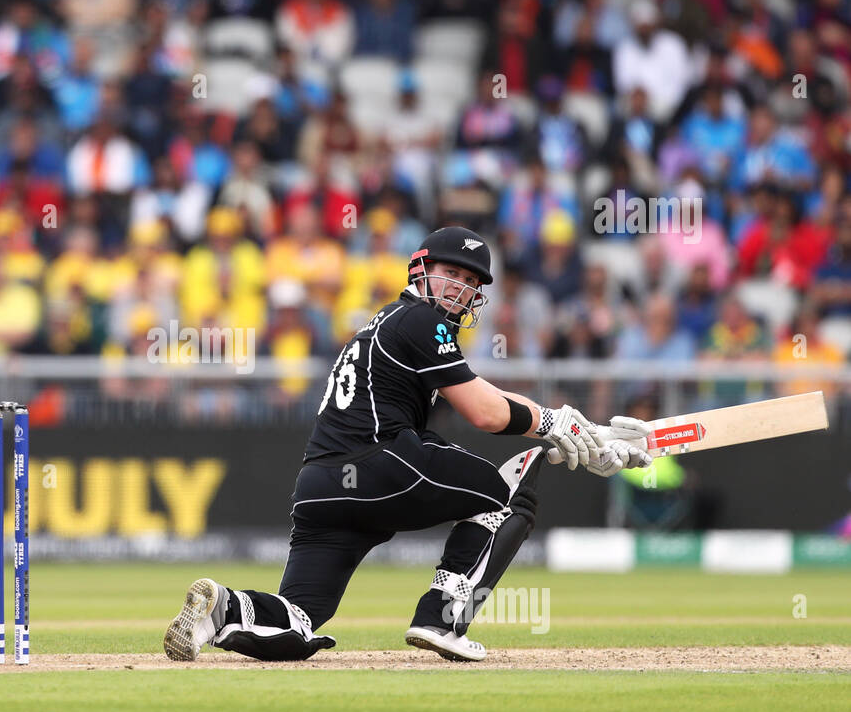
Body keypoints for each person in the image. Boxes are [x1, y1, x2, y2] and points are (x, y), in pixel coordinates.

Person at [164, 226, 652, 663]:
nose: (459, 285)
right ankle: (441, 617)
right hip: (378, 463)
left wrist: (579, 427)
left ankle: (221, 606)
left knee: (299, 619)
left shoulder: (388, 322)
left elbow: (486, 392)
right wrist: (552, 425)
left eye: (470, 280)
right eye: (449, 271)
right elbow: (485, 412)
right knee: (504, 494)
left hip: (321, 489)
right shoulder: (422, 321)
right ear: (420, 270)